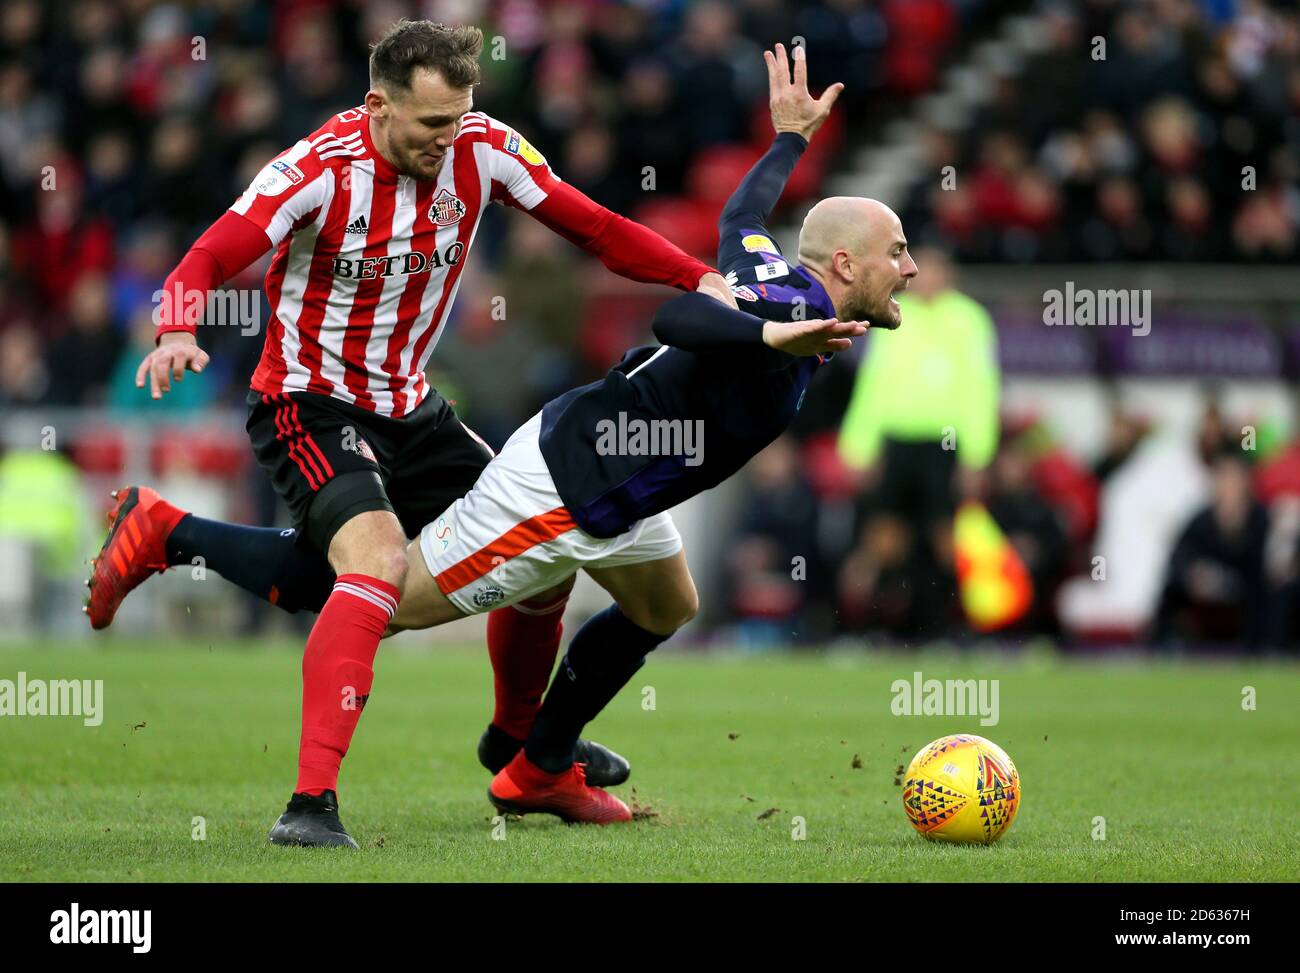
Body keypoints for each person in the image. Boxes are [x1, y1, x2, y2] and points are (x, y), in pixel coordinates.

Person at [84, 20, 733, 848]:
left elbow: (597, 229)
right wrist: (178, 326)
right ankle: (309, 806)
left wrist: (697, 276)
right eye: (430, 125)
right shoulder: (315, 169)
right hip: (307, 403)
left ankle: (517, 742)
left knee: (542, 548)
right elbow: (211, 252)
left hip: (413, 409)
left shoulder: (485, 148)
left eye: (457, 119)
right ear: (377, 105)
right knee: (378, 568)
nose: (446, 140)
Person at [380, 43, 913, 828]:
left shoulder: (775, 274)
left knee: (667, 602)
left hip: (624, 474)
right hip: (579, 471)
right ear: (844, 262)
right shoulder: (789, 314)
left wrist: (790, 139)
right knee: (386, 601)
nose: (909, 267)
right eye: (896, 252)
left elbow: (739, 218)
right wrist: (765, 340)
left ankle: (540, 762)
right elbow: (674, 315)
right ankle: (187, 538)